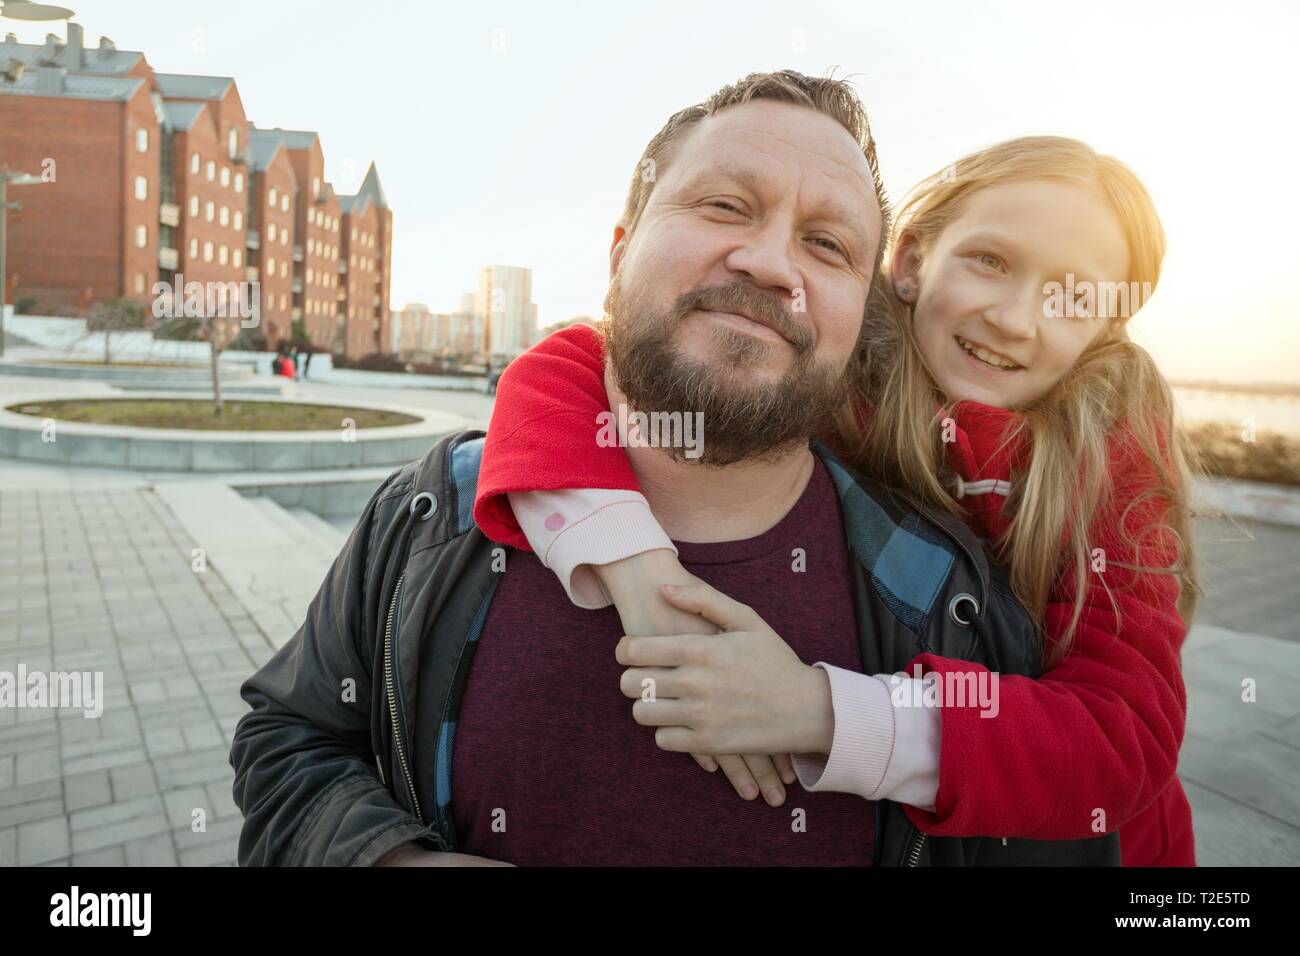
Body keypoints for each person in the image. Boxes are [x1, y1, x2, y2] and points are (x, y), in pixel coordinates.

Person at [231, 70, 1115, 867]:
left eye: (829, 245)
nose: (771, 264)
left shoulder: (948, 601)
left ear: (863, 323)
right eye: (727, 206)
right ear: (619, 254)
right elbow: (290, 738)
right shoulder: (436, 515)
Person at [472, 137, 1198, 865]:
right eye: (991, 262)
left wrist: (820, 712)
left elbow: (1127, 733)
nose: (1013, 318)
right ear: (911, 262)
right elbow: (565, 372)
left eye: (1068, 296)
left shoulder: (1112, 457)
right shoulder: (840, 365)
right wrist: (639, 576)